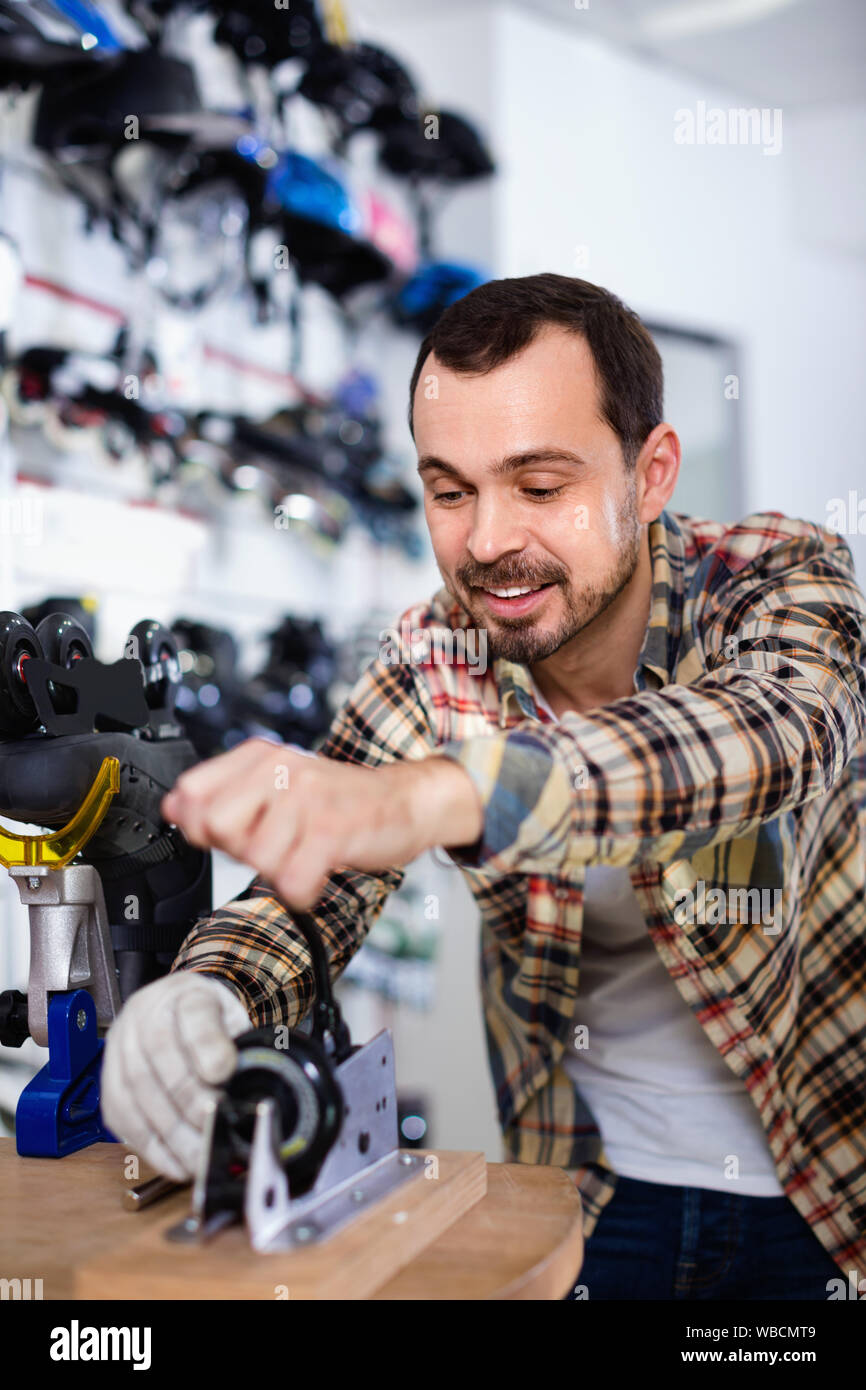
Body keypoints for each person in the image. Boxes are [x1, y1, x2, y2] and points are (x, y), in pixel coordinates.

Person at [102, 273, 866, 1300]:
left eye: (539, 487)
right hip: (591, 1199)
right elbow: (313, 896)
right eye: (448, 490)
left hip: (827, 1196)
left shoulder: (777, 576)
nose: (487, 542)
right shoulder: (433, 652)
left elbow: (766, 736)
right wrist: (204, 993)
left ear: (649, 475)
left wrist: (431, 795)